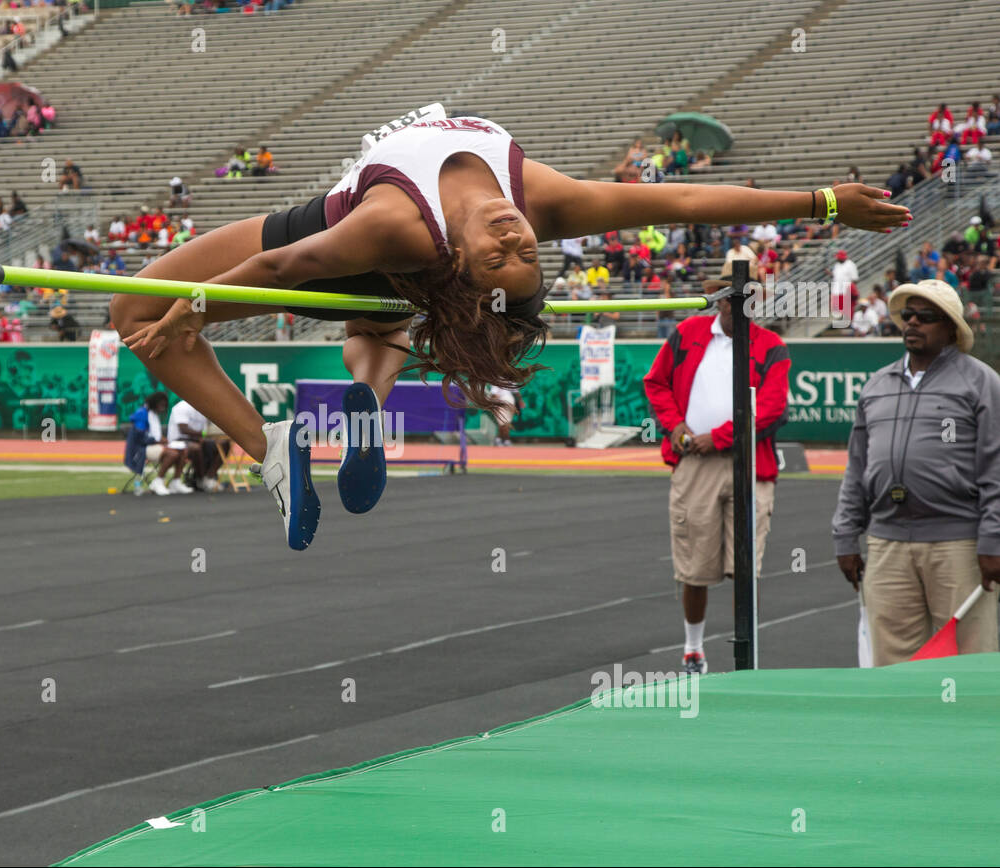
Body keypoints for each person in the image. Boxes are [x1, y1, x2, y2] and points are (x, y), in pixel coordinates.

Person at [109, 111, 908, 550]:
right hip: (369, 268)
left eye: (504, 256)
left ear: (459, 259)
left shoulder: (406, 227)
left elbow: (287, 267)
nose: (515, 238)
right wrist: (824, 201)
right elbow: (683, 203)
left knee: (134, 312)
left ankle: (276, 446)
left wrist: (194, 306)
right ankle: (354, 403)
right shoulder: (539, 196)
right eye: (522, 247)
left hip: (333, 241)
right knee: (381, 314)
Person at [833, 280, 1000, 665]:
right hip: (887, 543)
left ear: (950, 328)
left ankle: (966, 728)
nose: (912, 323)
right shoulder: (877, 385)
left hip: (958, 543)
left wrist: (993, 540)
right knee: (893, 666)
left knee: (969, 662)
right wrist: (845, 534)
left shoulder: (980, 381)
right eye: (907, 315)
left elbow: (995, 468)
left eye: (925, 317)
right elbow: (856, 467)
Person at [643, 261, 790, 674]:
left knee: (745, 568)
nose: (735, 305)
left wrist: (721, 436)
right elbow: (655, 382)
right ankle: (693, 649)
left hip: (749, 462)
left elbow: (774, 408)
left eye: (745, 297)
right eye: (729, 297)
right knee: (694, 564)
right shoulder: (688, 334)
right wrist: (674, 426)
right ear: (719, 300)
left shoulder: (772, 345)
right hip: (695, 462)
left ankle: (747, 652)